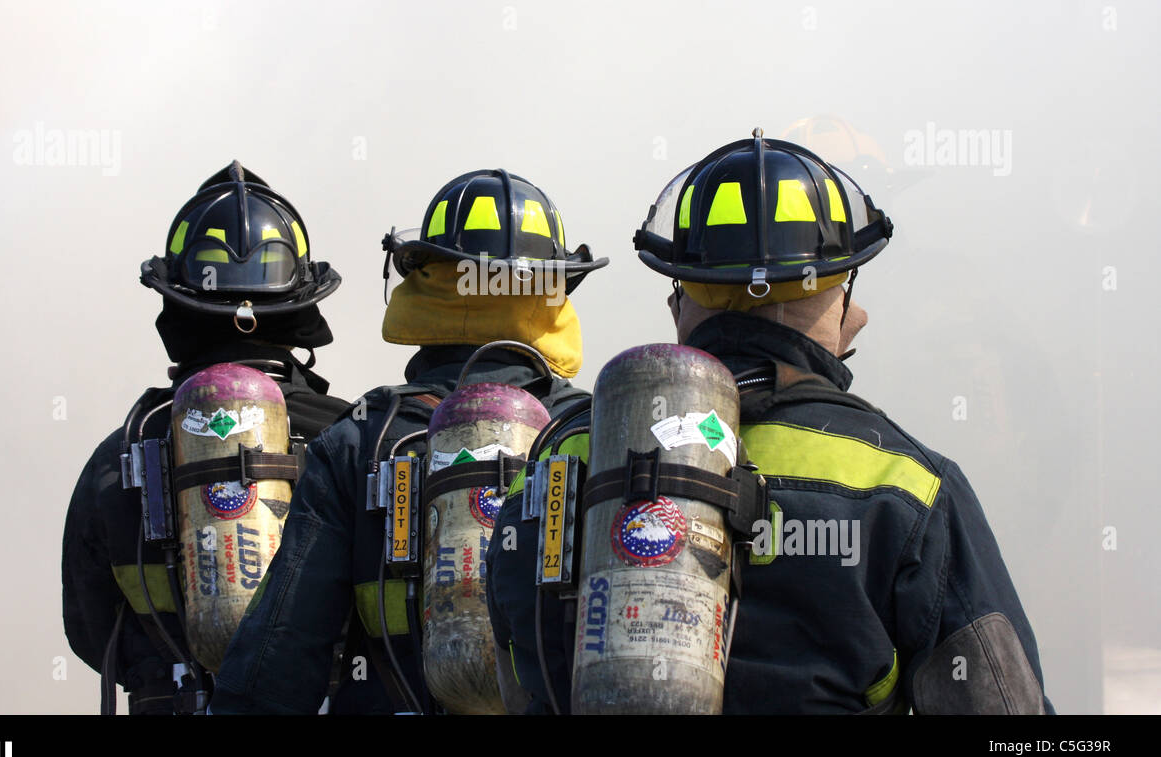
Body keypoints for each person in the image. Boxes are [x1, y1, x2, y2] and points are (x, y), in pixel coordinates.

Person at [488, 129, 1053, 714]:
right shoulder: (907, 485)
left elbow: (513, 667)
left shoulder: (565, 460)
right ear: (837, 296)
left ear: (680, 299)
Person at [209, 169, 607, 714]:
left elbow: (282, 648)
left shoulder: (359, 438)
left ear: (424, 280)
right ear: (553, 291)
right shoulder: (592, 432)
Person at [62, 162, 349, 714]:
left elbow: (89, 628)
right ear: (303, 303)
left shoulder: (123, 449)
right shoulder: (350, 436)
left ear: (175, 300)